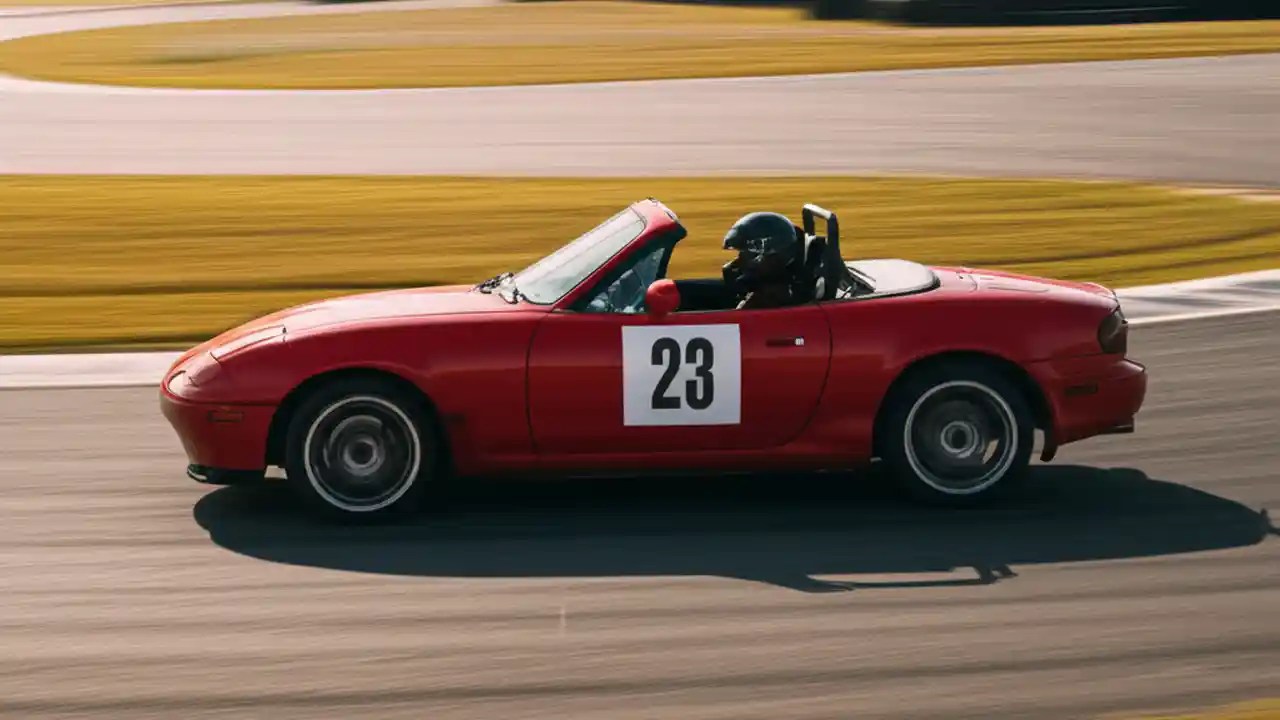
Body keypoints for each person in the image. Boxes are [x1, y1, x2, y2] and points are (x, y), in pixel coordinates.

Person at [721, 211, 802, 310]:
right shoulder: (760, 294)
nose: (737, 262)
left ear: (773, 257)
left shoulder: (765, 300)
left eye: (747, 254)